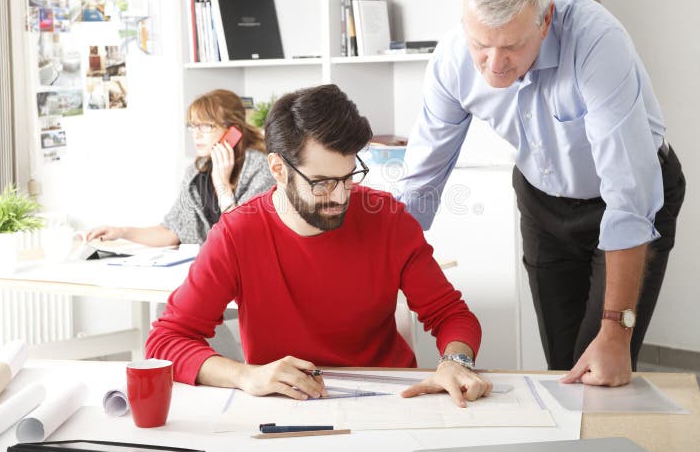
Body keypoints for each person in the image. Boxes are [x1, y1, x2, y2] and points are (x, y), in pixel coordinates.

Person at [397, 0, 686, 387]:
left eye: (511, 46)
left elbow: (629, 195)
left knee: (602, 365)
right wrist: (375, 271)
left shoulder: (595, 42)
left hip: (632, 197)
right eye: (481, 44)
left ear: (545, 20)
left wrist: (615, 332)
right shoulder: (452, 60)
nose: (494, 64)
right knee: (562, 370)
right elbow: (421, 182)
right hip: (544, 204)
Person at [146, 84, 493, 407]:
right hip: (286, 408)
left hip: (390, 401)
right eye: (323, 183)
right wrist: (244, 375)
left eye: (348, 176)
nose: (340, 196)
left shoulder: (388, 218)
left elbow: (451, 314)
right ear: (278, 169)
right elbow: (166, 340)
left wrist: (455, 361)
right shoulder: (236, 235)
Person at [86, 89, 275, 246]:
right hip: (213, 270)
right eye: (193, 126)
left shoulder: (261, 169)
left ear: (233, 131)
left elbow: (243, 236)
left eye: (206, 126)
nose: (196, 134)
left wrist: (222, 184)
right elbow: (172, 231)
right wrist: (122, 232)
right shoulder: (197, 173)